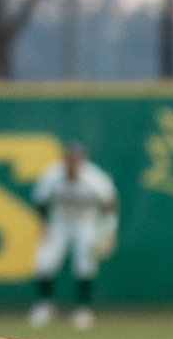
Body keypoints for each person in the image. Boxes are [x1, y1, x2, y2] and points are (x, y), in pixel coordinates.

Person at [29, 141, 119, 329]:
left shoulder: (94, 178)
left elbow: (110, 205)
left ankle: (82, 309)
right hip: (59, 222)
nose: (72, 163)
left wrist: (108, 231)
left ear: (82, 161)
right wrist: (43, 225)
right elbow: (40, 202)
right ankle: (44, 307)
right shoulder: (53, 175)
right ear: (64, 160)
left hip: (85, 224)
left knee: (84, 265)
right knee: (45, 261)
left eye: (76, 159)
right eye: (69, 159)